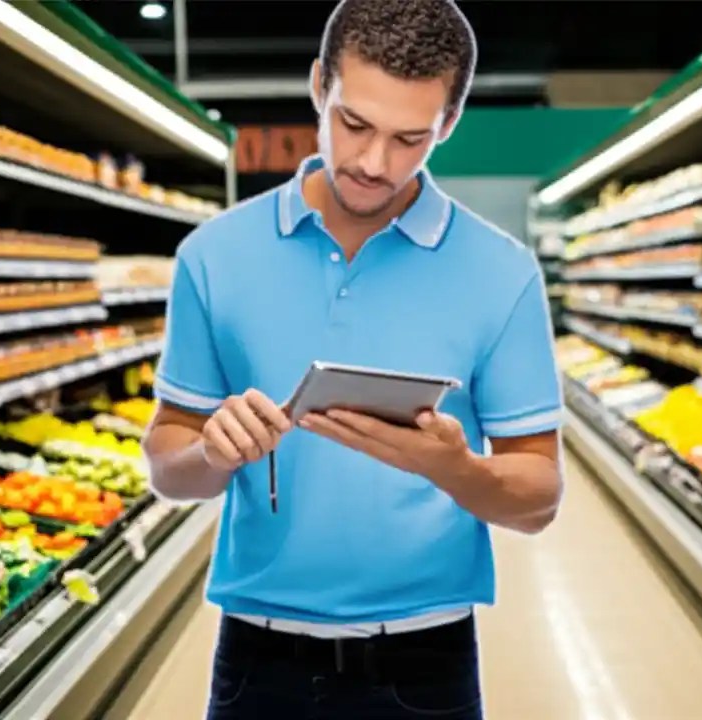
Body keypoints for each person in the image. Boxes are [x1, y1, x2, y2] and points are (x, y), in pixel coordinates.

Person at [143, 0, 564, 717]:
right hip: (256, 661)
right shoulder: (214, 256)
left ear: (448, 126)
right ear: (318, 86)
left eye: (410, 139)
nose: (374, 163)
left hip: (425, 667)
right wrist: (212, 453)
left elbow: (538, 498)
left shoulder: (504, 273)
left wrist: (451, 468)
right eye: (354, 123)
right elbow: (168, 463)